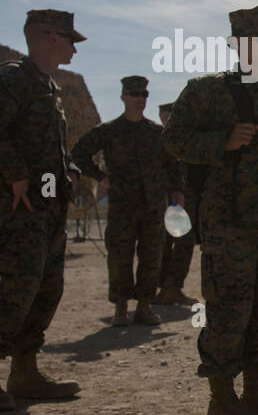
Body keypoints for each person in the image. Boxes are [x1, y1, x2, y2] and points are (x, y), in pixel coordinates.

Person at [163, 5, 258, 415]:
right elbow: (173, 140)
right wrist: (221, 141)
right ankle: (222, 403)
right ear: (239, 44)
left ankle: (256, 396)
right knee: (229, 309)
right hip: (229, 222)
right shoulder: (207, 91)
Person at [0, 9, 85, 410]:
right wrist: (14, 172)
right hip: (18, 209)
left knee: (44, 289)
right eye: (70, 39)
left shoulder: (47, 86)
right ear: (50, 37)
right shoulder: (13, 78)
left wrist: (68, 169)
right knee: (13, 289)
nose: (73, 47)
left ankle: (25, 372)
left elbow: (47, 146)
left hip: (48, 208)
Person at [70, 76, 183, 326]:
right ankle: (120, 309)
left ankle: (144, 307)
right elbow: (78, 153)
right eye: (134, 94)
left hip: (153, 205)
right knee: (120, 256)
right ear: (123, 97)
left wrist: (177, 192)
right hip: (123, 205)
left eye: (144, 94)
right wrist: (101, 177)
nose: (140, 99)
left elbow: (172, 165)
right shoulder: (108, 131)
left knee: (151, 256)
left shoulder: (156, 133)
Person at [155, 101, 198, 305]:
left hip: (182, 199)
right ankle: (168, 288)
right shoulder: (164, 140)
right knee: (175, 243)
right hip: (169, 200)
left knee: (179, 243)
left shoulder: (182, 139)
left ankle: (170, 287)